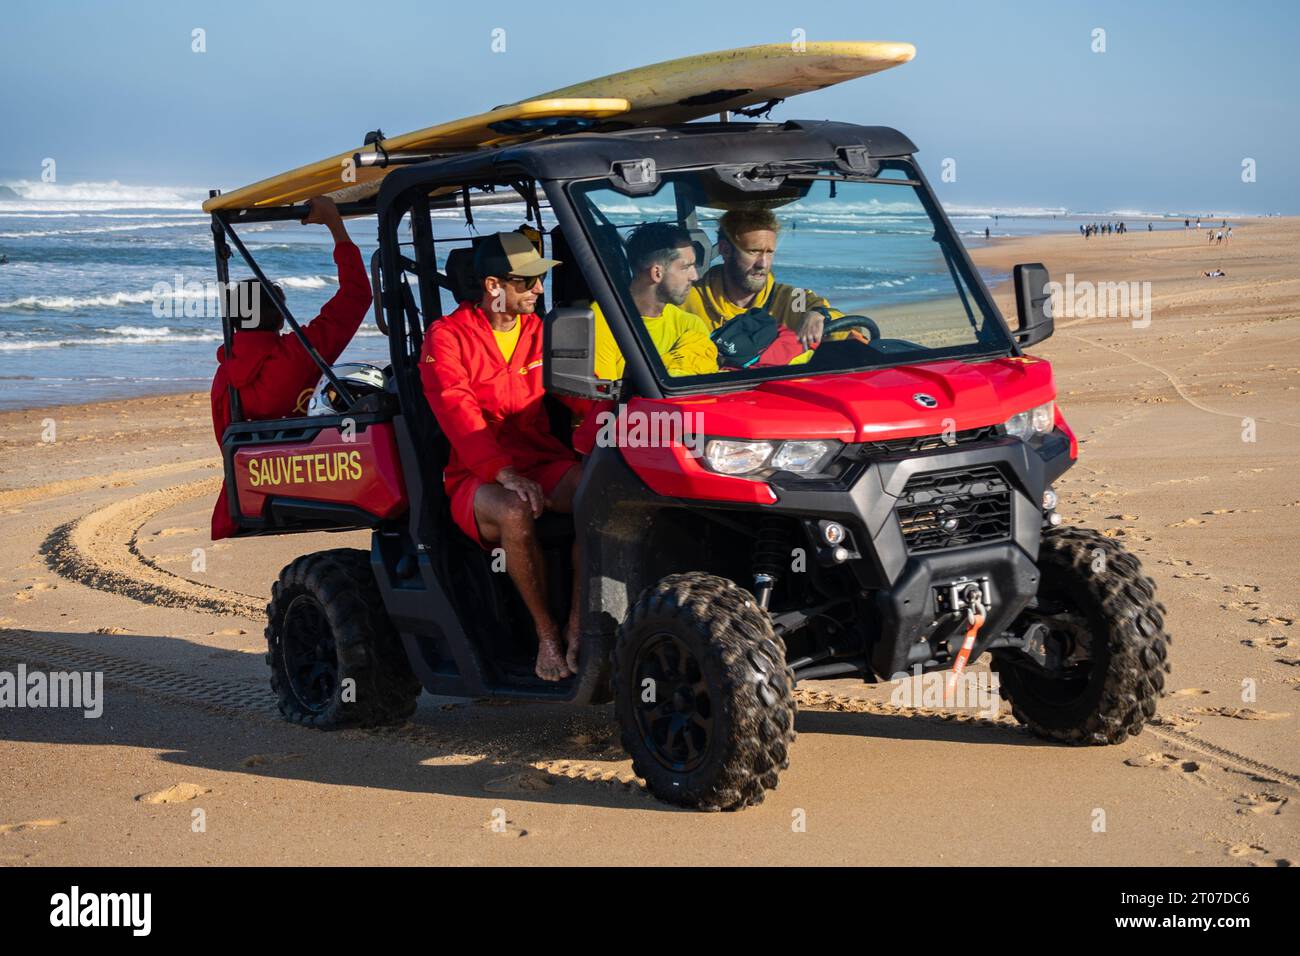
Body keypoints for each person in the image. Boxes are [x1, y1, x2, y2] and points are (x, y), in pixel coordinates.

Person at [419, 231, 585, 681]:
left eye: (539, 280)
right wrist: (503, 473)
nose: (538, 290)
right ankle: (546, 637)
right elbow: (458, 411)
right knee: (513, 511)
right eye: (527, 281)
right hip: (475, 476)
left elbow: (581, 395)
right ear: (494, 286)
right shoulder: (447, 337)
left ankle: (578, 624)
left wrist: (618, 425)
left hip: (541, 461)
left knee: (602, 490)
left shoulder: (542, 331)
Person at [209, 196, 371, 540]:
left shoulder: (225, 374)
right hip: (304, 481)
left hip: (247, 489)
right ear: (280, 317)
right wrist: (335, 226)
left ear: (235, 320)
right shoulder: (299, 352)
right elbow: (357, 295)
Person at [682, 208, 837, 349]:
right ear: (725, 250)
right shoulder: (689, 300)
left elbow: (820, 309)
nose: (763, 263)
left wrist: (818, 313)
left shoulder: (787, 299)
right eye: (753, 251)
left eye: (769, 252)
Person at [593, 223, 718, 380]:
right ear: (657, 273)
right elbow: (606, 403)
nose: (695, 276)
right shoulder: (602, 321)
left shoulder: (691, 325)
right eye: (686, 267)